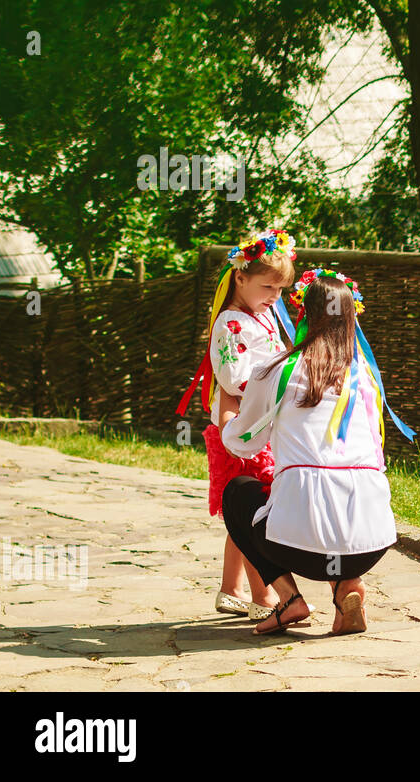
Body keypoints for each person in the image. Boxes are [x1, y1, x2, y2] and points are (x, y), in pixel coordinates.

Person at [220, 269, 408, 636]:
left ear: (303, 316)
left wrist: (228, 413)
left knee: (239, 493)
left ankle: (290, 600)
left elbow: (243, 443)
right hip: (372, 543)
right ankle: (346, 585)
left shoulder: (277, 370)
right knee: (339, 495)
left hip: (297, 547)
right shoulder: (365, 378)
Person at [176, 229, 303, 621]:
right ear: (241, 278)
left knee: (241, 508)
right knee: (252, 509)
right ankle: (262, 595)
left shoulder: (259, 315)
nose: (274, 297)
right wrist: (282, 383)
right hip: (239, 431)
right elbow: (234, 380)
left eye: (280, 290)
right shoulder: (232, 322)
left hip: (257, 425)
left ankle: (230, 590)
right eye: (268, 287)